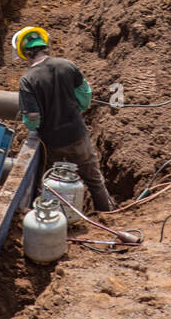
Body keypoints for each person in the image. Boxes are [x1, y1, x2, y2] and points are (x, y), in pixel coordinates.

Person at [14, 25, 114, 212]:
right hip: (78, 135)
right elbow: (85, 97)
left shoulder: (28, 80)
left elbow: (33, 119)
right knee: (94, 179)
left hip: (53, 143)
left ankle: (54, 217)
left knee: (52, 183)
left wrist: (33, 126)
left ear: (25, 53)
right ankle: (107, 214)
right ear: (45, 46)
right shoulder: (67, 65)